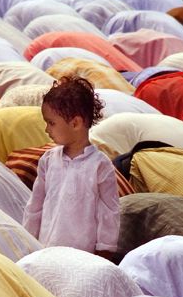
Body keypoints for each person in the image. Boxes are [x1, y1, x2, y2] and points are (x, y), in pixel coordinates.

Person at [23, 76, 120, 257]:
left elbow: (109, 212)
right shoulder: (48, 160)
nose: (46, 129)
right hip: (45, 250)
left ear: (75, 123)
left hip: (82, 256)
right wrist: (28, 242)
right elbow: (35, 207)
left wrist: (104, 252)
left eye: (51, 123)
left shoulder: (100, 165)